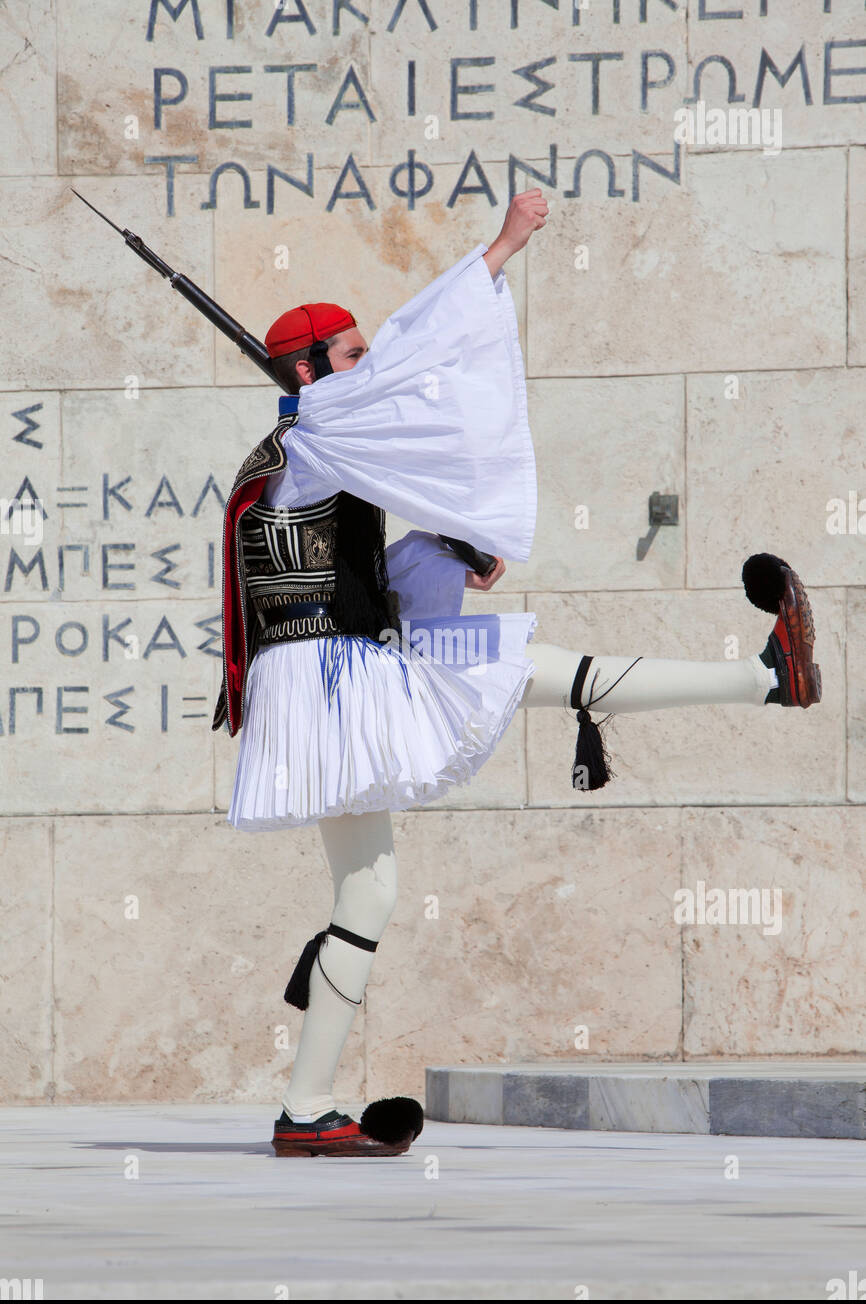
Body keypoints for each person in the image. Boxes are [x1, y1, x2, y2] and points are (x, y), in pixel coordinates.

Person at [212, 191, 821, 1157]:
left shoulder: (317, 450)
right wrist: (495, 252)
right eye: (351, 354)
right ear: (310, 370)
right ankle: (302, 1113)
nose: (370, 366)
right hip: (332, 681)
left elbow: (369, 568)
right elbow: (414, 359)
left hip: (342, 667)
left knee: (491, 695)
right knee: (383, 871)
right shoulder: (317, 438)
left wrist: (453, 546)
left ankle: (761, 679)